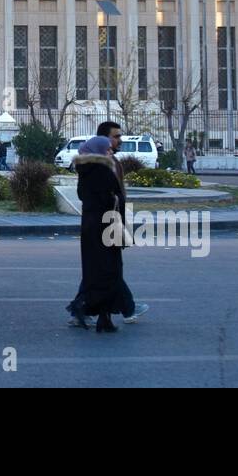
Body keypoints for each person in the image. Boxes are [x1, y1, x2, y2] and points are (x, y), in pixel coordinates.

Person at [65, 136, 148, 333]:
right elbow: (109, 198)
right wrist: (116, 197)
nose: (111, 152)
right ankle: (94, 310)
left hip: (90, 226)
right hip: (106, 227)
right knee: (110, 271)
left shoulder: (85, 170)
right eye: (108, 150)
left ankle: (100, 314)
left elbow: (83, 196)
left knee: (97, 272)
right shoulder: (102, 171)